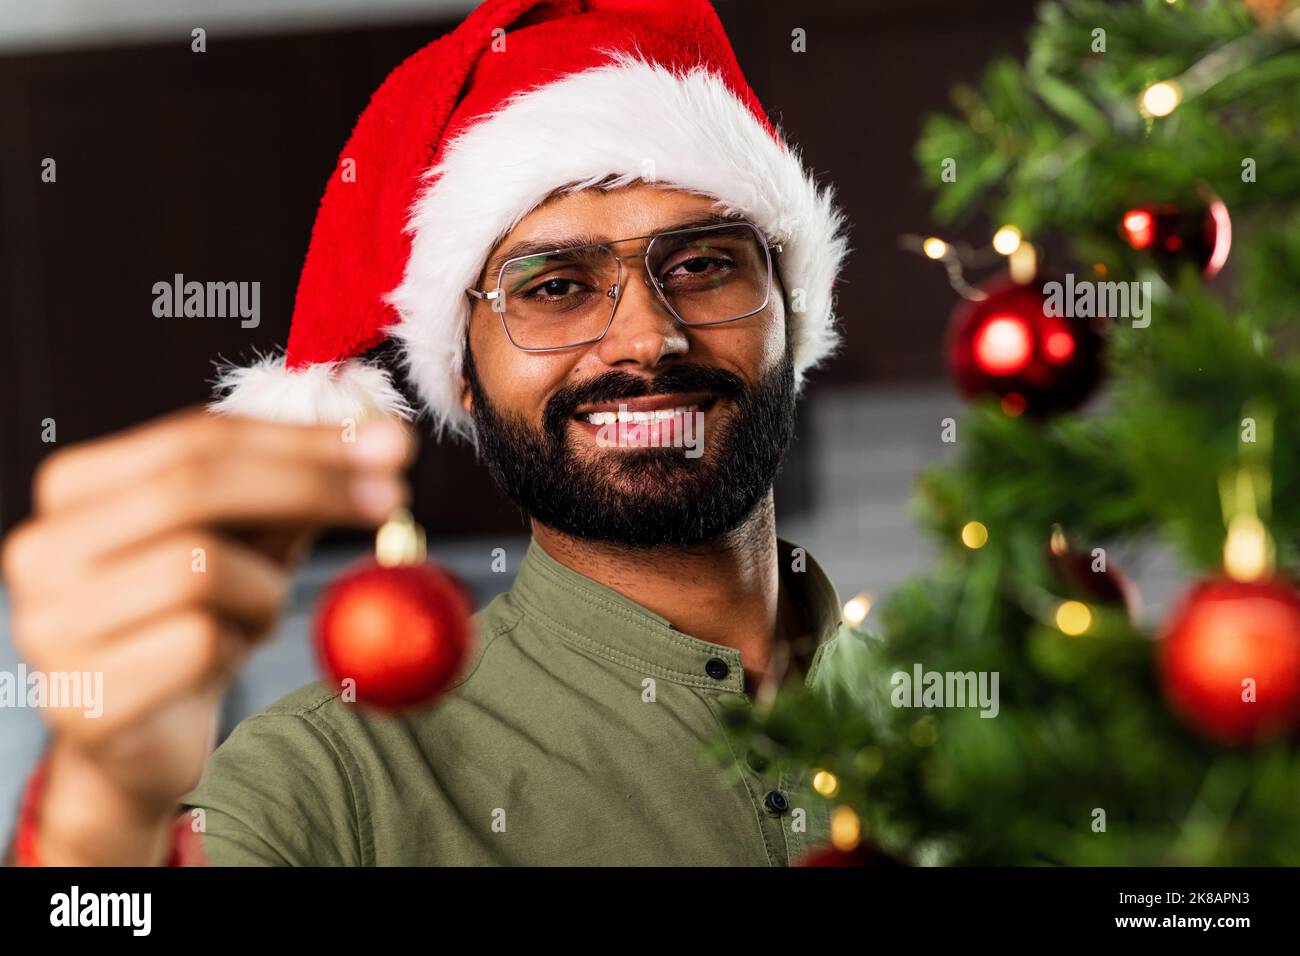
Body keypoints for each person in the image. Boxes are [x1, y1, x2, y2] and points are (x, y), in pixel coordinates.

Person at [2, 0, 853, 866]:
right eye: (554, 287)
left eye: (704, 264)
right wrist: (98, 808)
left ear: (792, 309)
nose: (645, 337)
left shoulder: (977, 692)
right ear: (466, 377)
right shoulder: (326, 783)